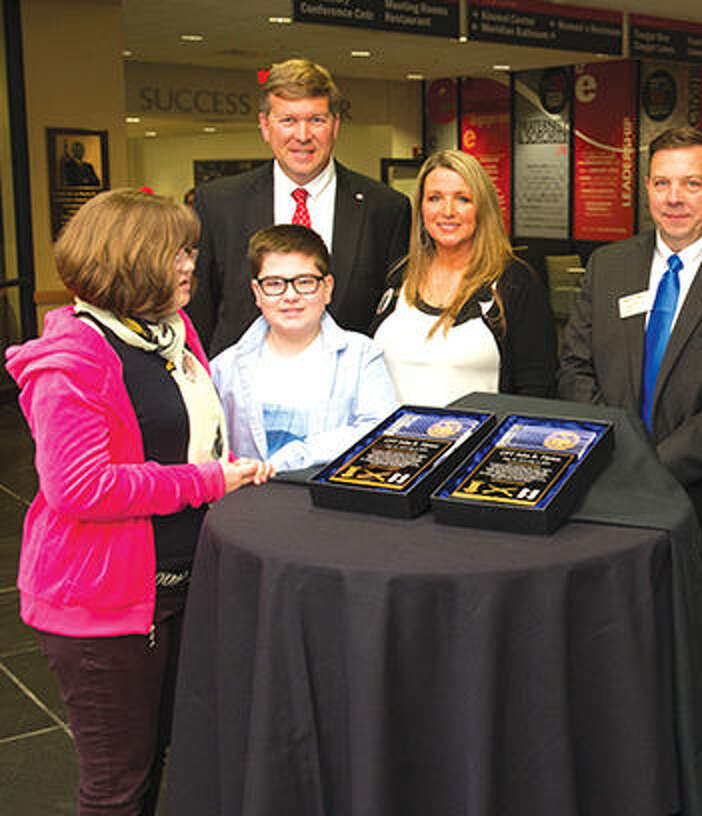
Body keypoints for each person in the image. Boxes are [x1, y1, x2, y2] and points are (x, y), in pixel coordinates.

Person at [4, 189, 273, 815]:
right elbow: (80, 488)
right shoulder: (71, 359)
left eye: (192, 250)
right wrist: (208, 481)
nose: (190, 265)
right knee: (117, 788)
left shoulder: (170, 333)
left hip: (174, 588)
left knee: (158, 762)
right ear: (129, 260)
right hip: (103, 608)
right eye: (177, 252)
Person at [558, 126, 702, 518]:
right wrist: (612, 452)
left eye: (692, 183)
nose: (674, 198)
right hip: (602, 483)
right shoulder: (607, 266)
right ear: (647, 188)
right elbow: (576, 367)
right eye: (662, 183)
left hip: (694, 498)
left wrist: (653, 467)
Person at [186, 58, 412, 356]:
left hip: (348, 390)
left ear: (335, 125)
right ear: (265, 126)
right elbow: (200, 313)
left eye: (316, 120)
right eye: (288, 120)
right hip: (241, 391)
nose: (302, 136)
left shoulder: (384, 209)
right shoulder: (218, 204)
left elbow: (390, 317)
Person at [371, 149, 556, 405]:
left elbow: (537, 387)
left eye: (463, 199)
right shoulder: (399, 276)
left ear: (482, 207)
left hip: (480, 442)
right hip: (391, 442)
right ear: (421, 207)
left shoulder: (514, 281)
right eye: (435, 198)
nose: (447, 211)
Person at [211, 224, 396, 471]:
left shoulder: (362, 355)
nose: (290, 296)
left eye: (305, 281)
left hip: (329, 503)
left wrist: (296, 456)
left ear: (327, 288)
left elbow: (379, 431)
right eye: (275, 283)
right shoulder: (224, 367)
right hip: (248, 502)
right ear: (257, 292)